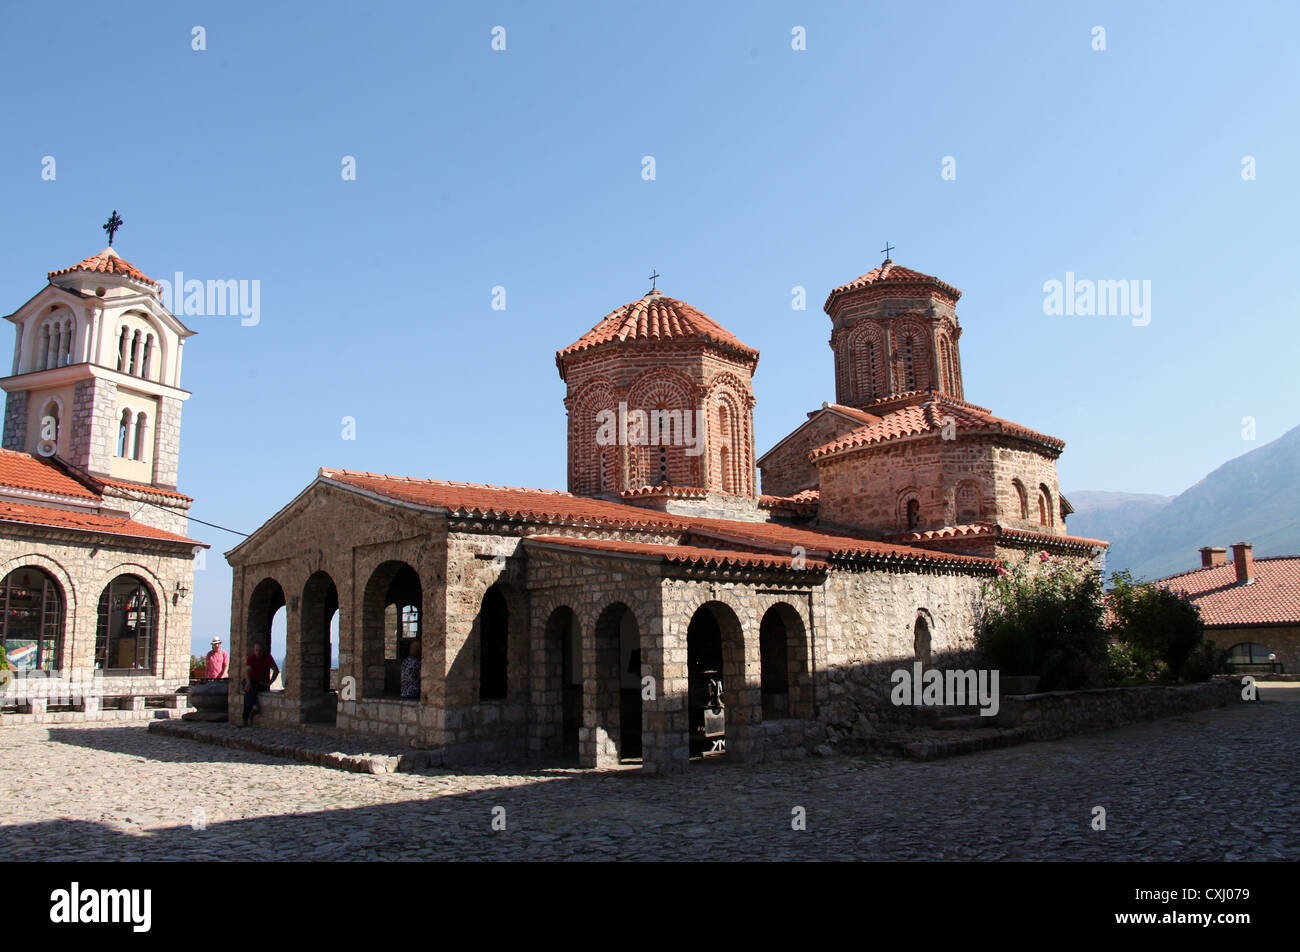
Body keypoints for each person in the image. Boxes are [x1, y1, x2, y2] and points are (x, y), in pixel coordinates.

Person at [242, 642, 279, 726]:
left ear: (263, 651)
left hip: (262, 683)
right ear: (254, 651)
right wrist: (248, 682)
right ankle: (254, 706)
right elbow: (247, 671)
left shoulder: (268, 657)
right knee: (249, 687)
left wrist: (270, 683)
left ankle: (245, 718)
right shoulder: (251, 658)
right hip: (252, 682)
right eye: (256, 650)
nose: (258, 652)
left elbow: (276, 670)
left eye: (260, 650)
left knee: (248, 692)